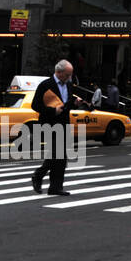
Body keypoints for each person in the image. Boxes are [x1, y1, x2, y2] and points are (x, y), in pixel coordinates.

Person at [31, 60, 83, 195]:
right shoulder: (45, 85)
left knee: (61, 156)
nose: (69, 78)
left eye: (70, 75)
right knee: (56, 153)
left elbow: (66, 104)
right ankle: (39, 175)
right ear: (58, 72)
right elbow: (35, 105)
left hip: (64, 123)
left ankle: (55, 187)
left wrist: (75, 103)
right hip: (49, 123)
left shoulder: (69, 85)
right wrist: (52, 111)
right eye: (67, 75)